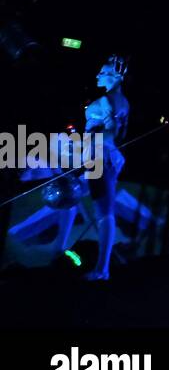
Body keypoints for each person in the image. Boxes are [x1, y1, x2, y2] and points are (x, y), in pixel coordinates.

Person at [55, 54, 130, 281]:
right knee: (70, 197)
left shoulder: (108, 100)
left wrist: (85, 142)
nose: (98, 75)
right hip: (99, 155)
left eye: (103, 72)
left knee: (104, 212)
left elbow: (112, 132)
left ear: (115, 75)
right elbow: (120, 134)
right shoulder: (124, 101)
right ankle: (59, 249)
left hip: (99, 156)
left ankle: (102, 269)